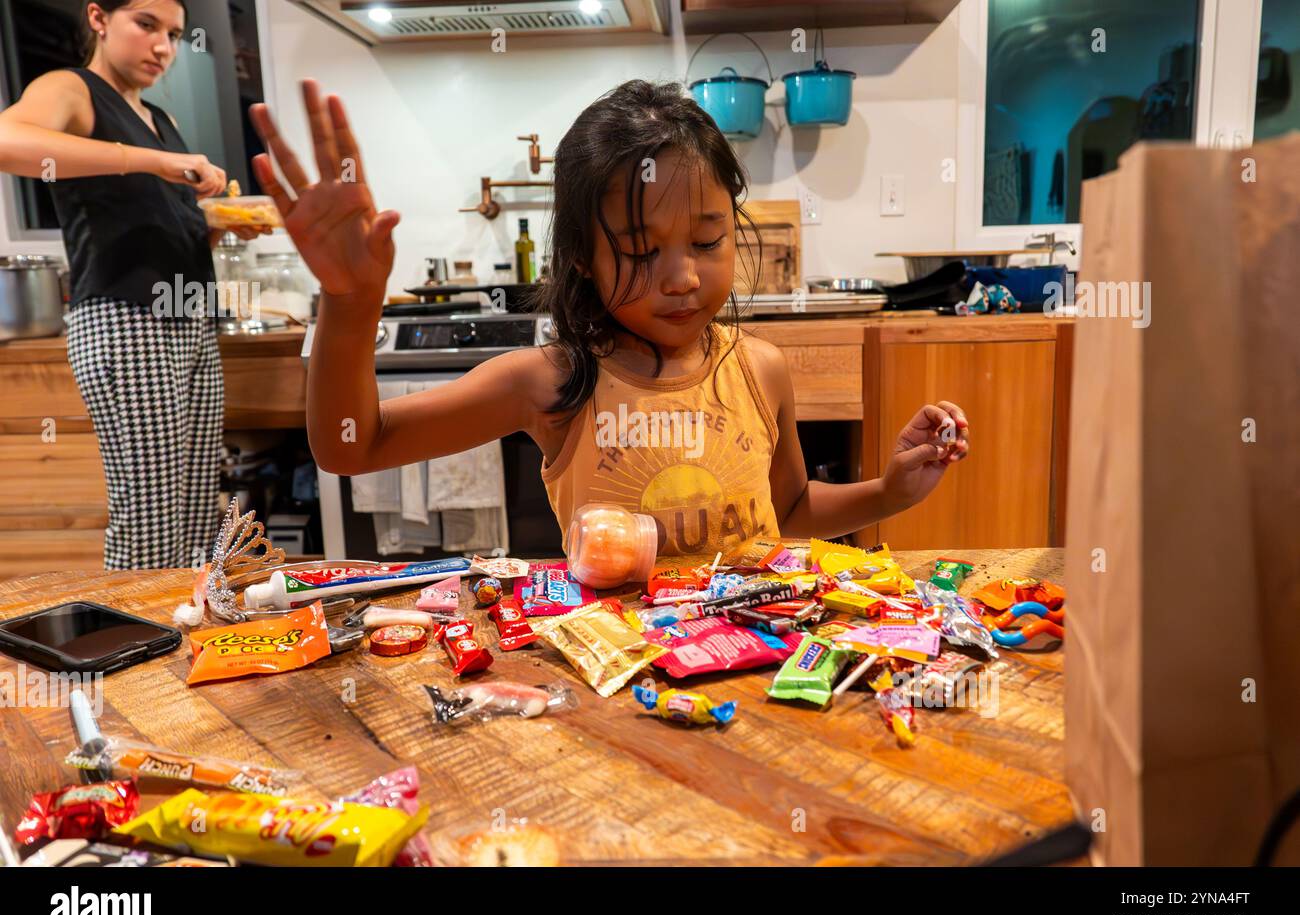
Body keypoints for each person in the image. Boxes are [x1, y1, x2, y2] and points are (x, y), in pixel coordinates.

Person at [251, 78, 971, 556]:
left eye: (708, 240)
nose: (683, 276)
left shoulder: (761, 368)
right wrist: (349, 307)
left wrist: (887, 490)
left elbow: (788, 511)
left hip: (749, 673)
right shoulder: (553, 381)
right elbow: (353, 448)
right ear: (580, 260)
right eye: (638, 249)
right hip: (615, 687)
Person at [0, 0, 268, 569]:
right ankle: (138, 648)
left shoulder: (161, 124)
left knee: (197, 513)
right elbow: (7, 141)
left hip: (189, 320)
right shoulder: (72, 89)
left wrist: (218, 220)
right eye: (146, 25)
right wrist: (153, 162)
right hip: (126, 323)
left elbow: (159, 230)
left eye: (173, 33)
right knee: (149, 515)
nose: (164, 47)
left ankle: (193, 632)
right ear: (99, 18)